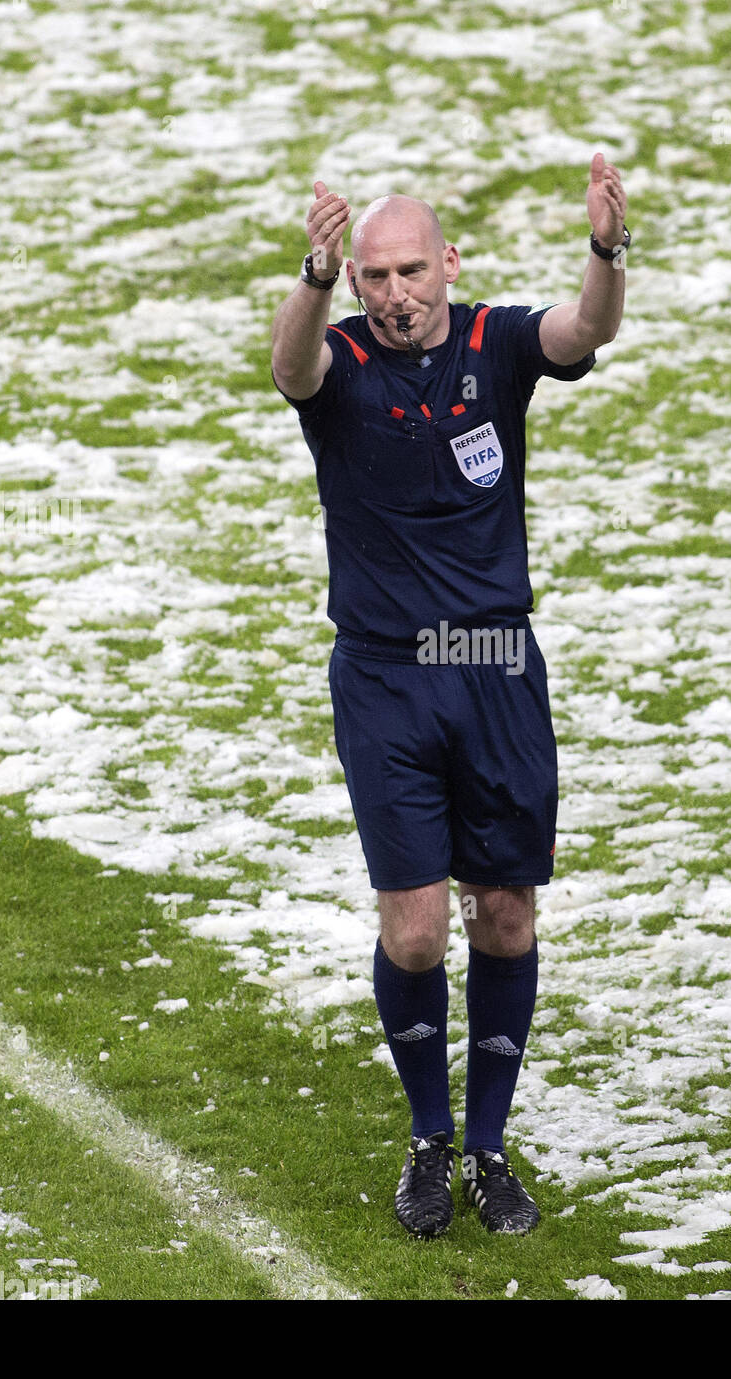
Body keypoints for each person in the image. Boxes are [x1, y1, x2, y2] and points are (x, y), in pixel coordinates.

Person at [269, 154, 627, 1237]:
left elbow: (585, 333)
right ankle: (429, 1137)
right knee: (419, 931)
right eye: (374, 275)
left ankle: (487, 1147)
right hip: (383, 674)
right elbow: (286, 369)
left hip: (493, 670)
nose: (393, 292)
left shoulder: (491, 344)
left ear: (448, 263)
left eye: (408, 270)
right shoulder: (336, 358)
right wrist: (312, 276)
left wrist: (606, 251)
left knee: (506, 915)